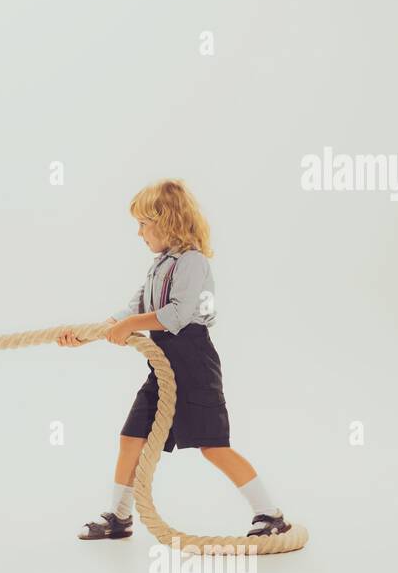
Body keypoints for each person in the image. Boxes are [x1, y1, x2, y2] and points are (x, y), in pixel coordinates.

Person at [57, 179, 292, 541]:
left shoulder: (193, 262)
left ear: (166, 221)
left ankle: (270, 514)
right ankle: (120, 517)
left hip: (193, 361)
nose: (139, 233)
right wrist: (87, 334)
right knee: (130, 438)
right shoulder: (158, 266)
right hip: (162, 366)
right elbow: (133, 309)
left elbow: (179, 314)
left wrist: (133, 324)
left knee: (213, 446)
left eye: (143, 224)